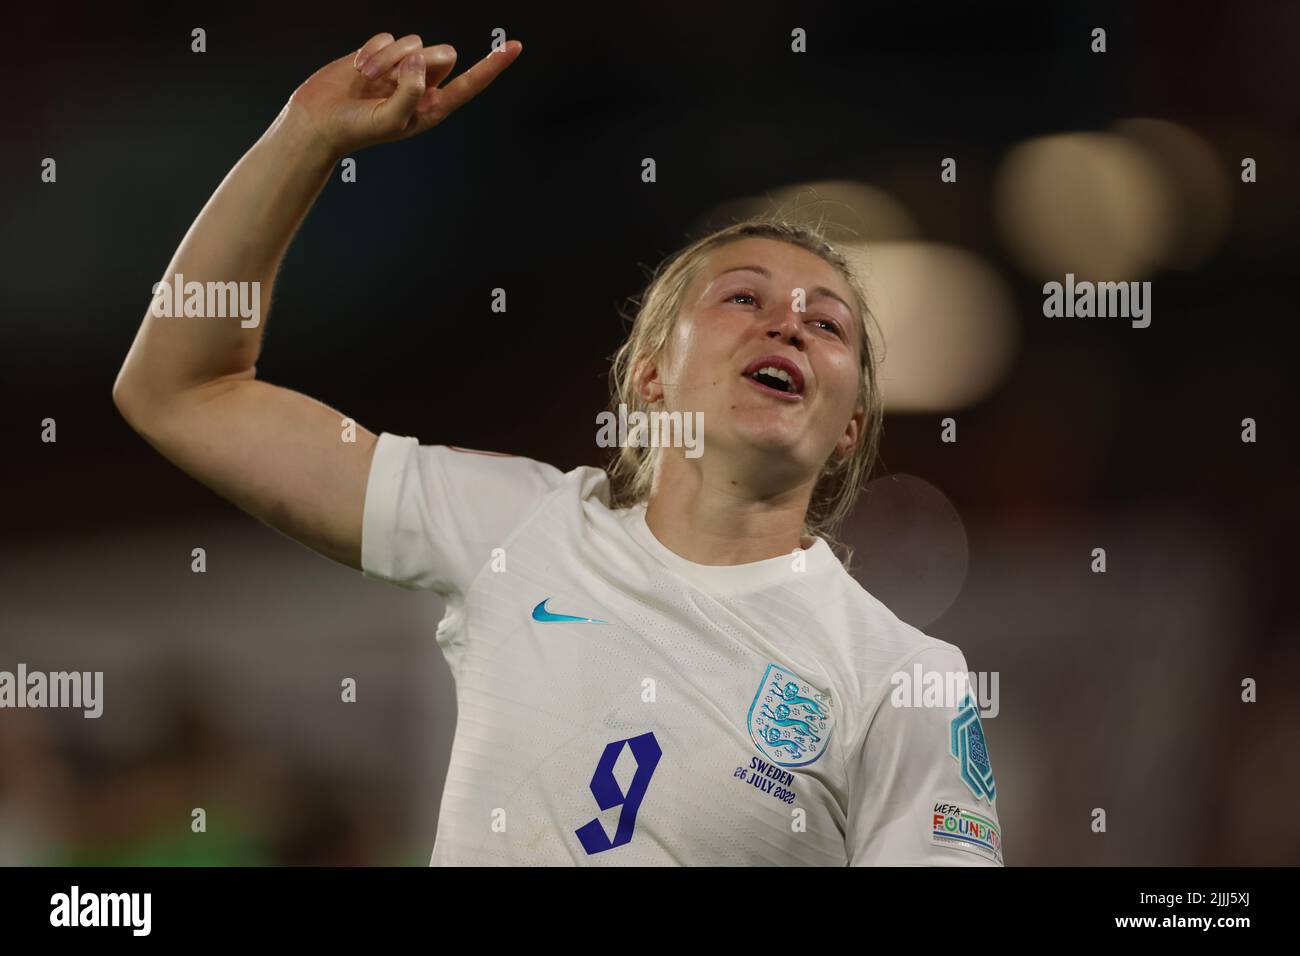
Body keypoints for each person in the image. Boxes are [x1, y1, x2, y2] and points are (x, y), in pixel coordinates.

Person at [113, 31, 1003, 865]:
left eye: (828, 323)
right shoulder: (519, 527)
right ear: (651, 374)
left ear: (850, 427)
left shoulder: (903, 680)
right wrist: (303, 138)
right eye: (742, 298)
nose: (789, 325)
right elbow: (182, 394)